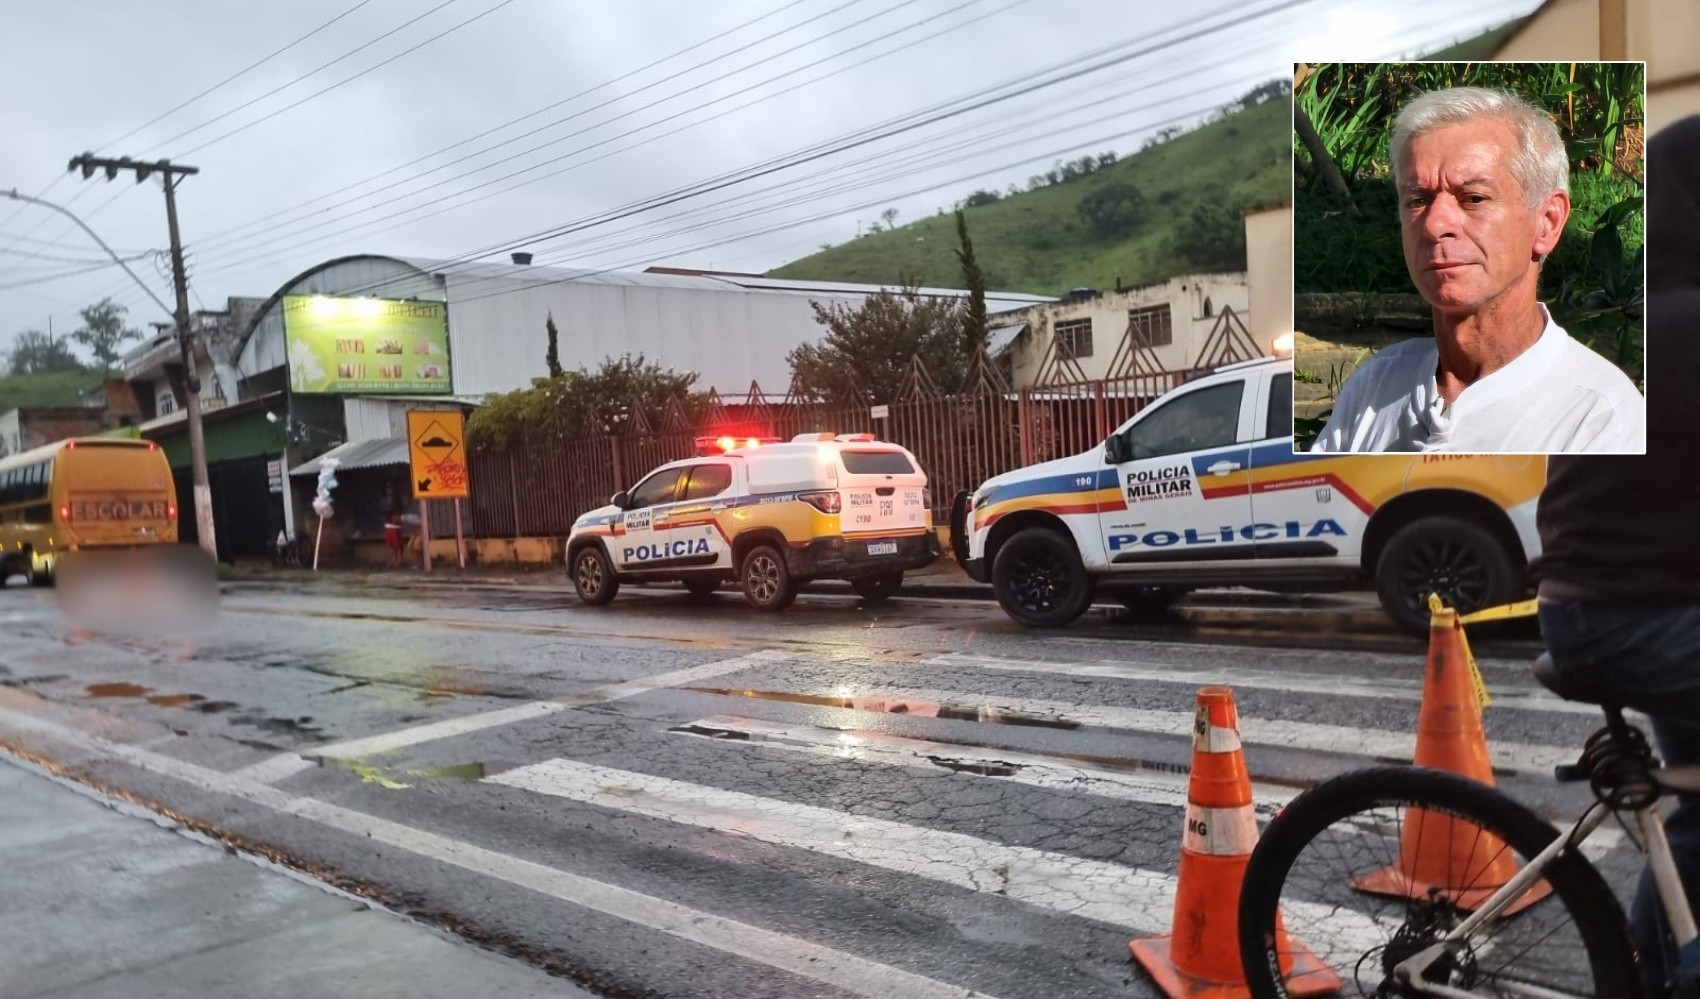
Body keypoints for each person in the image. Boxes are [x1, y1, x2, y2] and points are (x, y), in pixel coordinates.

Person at [1536, 115, 1700, 992]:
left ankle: (1649, 970)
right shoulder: (1679, 326)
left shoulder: (1638, 319)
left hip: (1621, 599)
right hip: (1633, 612)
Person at [1311, 86, 1645, 453]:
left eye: (1473, 198)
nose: (1435, 224)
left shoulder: (1598, 422)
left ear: (1547, 222)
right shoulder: (1374, 389)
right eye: (1417, 201)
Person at [383, 504, 405, 568]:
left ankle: (400, 560)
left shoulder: (396, 502)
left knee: (398, 545)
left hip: (395, 527)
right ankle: (394, 559)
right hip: (388, 526)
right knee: (393, 545)